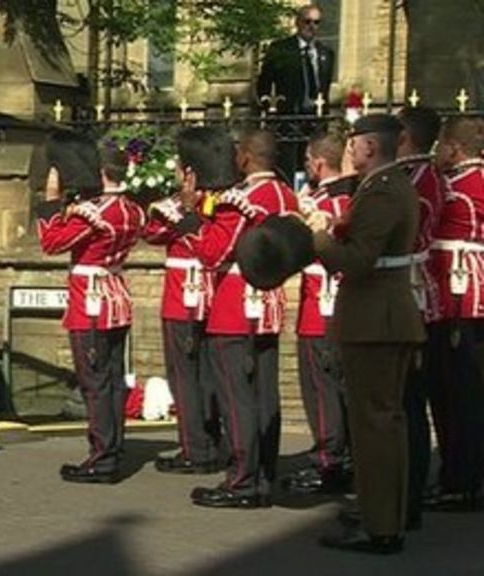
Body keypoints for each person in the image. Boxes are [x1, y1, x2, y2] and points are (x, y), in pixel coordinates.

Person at [309, 115, 424, 554]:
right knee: (386, 424)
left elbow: (356, 260)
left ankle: (380, 527)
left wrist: (317, 238)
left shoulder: (381, 191)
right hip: (386, 314)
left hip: (375, 318)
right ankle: (386, 515)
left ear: (371, 147)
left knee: (373, 425)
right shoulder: (390, 187)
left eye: (354, 142)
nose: (349, 150)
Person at [178, 128, 297, 509]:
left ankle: (242, 480)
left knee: (236, 396)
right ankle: (263, 474)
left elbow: (212, 253)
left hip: (234, 304)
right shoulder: (286, 194)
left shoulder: (239, 201)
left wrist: (189, 214)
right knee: (264, 393)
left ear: (244, 157)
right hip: (268, 304)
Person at [36, 146, 146, 484]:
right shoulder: (133, 210)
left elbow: (51, 242)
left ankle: (102, 458)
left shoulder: (95, 213)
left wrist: (52, 200)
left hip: (92, 302)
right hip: (116, 298)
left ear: (100, 174)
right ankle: (113, 447)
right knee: (112, 381)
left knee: (95, 384)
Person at [142, 132, 227, 476]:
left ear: (189, 172)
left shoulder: (181, 207)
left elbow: (153, 232)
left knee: (185, 378)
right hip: (211, 297)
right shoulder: (218, 202)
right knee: (208, 376)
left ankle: (195, 449)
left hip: (183, 300)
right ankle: (211, 441)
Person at [283, 130, 356, 495]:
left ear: (318, 162)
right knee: (341, 387)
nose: (308, 166)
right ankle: (345, 458)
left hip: (322, 303)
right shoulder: (351, 197)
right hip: (346, 304)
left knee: (320, 388)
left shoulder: (321, 203)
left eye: (309, 161)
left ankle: (329, 462)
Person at [427, 116, 484, 510]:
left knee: (455, 396)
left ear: (453, 148)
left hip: (458, 300)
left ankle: (460, 479)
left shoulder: (455, 189)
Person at [394, 106, 445, 527]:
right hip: (412, 291)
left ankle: (403, 498)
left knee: (404, 403)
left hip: (407, 295)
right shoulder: (422, 176)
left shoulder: (414, 179)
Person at [257, 4, 336, 178]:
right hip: (289, 117)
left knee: (315, 162)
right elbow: (264, 83)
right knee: (289, 165)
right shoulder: (280, 49)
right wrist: (268, 109)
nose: (311, 26)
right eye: (307, 21)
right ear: (298, 23)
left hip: (315, 117)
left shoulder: (326, 53)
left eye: (316, 22)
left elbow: (326, 86)